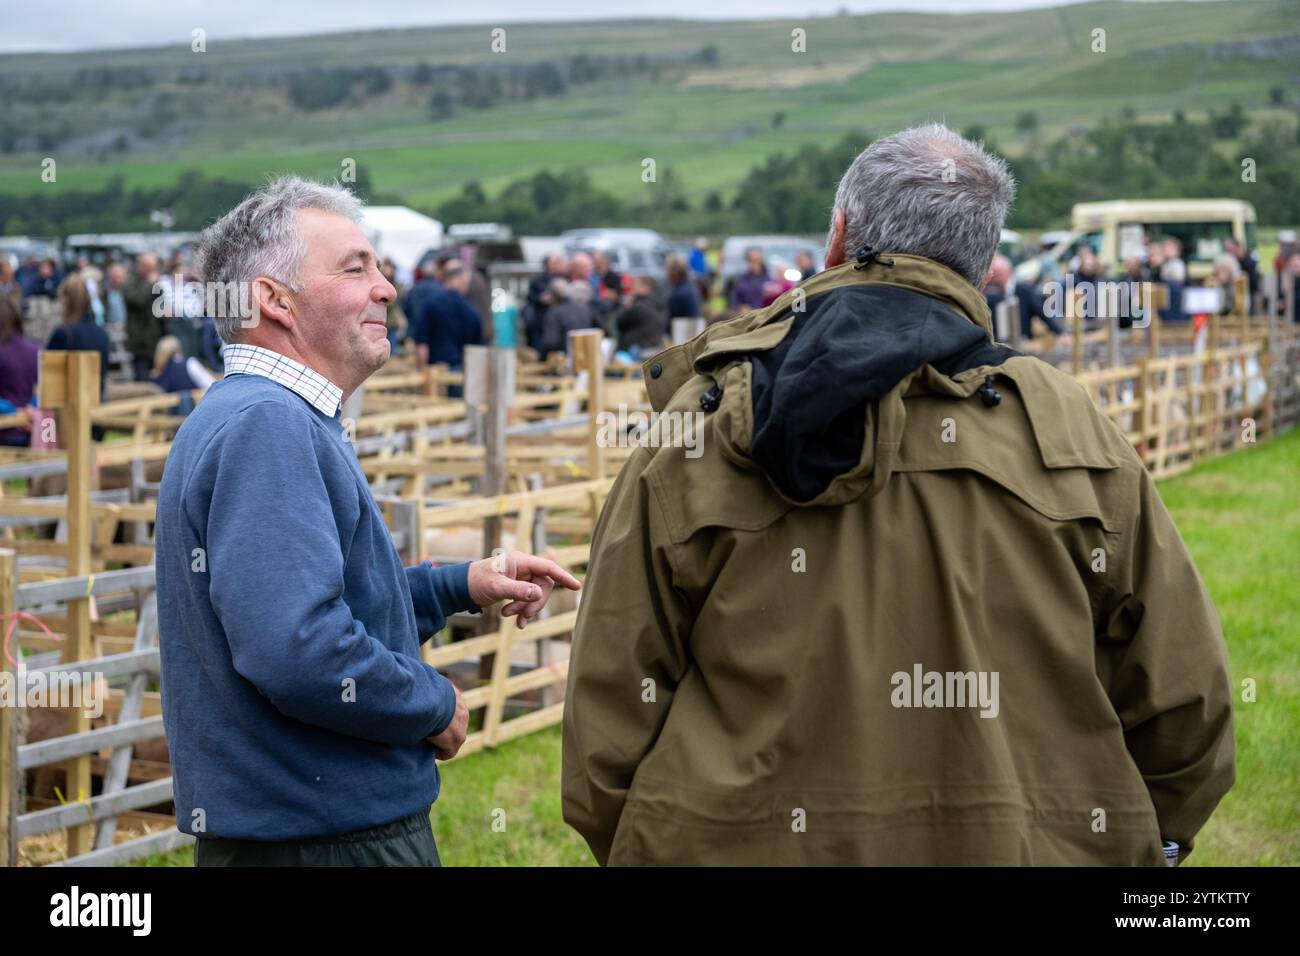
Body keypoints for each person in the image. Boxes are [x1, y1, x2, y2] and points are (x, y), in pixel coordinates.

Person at [563, 123, 1234, 867]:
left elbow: (611, 705)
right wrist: (1148, 838)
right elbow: (1183, 698)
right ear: (983, 263)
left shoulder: (702, 420)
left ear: (838, 235)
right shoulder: (1069, 426)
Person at [156, 176, 580, 867]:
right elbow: (298, 651)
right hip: (324, 845)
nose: (387, 288)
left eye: (380, 267)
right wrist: (432, 702)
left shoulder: (257, 414)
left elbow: (318, 610)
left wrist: (459, 585)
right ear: (273, 299)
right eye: (357, 269)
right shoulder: (268, 424)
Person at [46, 274, 111, 405]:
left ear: (66, 300)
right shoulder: (102, 333)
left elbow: (48, 377)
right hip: (96, 405)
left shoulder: (62, 334)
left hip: (69, 409)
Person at [411, 259, 484, 373]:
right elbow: (476, 352)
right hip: (461, 373)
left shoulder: (429, 304)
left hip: (434, 373)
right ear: (463, 280)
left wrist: (422, 372)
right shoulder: (472, 312)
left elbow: (422, 345)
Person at [0, 295, 38, 447]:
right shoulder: (36, 350)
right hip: (31, 427)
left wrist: (13, 412)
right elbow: (45, 391)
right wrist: (30, 409)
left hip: (5, 429)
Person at [150, 334, 216, 415]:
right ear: (179, 349)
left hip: (168, 421)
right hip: (193, 415)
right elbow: (212, 386)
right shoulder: (189, 363)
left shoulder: (155, 374)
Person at [124, 253, 163, 381]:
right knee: (142, 378)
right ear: (142, 267)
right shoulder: (131, 282)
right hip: (140, 341)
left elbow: (160, 305)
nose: (153, 271)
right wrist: (149, 283)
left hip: (155, 339)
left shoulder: (154, 283)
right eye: (150, 268)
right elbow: (137, 300)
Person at [540, 279, 597, 356]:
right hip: (586, 356)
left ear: (553, 296)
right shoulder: (585, 309)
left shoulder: (554, 312)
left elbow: (551, 341)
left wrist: (542, 357)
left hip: (564, 359)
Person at [615, 275, 668, 355]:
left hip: (636, 352)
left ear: (646, 287)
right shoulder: (659, 304)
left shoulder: (638, 306)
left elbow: (619, 322)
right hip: (654, 349)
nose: (633, 289)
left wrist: (626, 305)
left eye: (636, 285)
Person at [665, 254, 700, 321]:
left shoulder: (679, 294)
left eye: (667, 269)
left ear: (673, 272)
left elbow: (670, 322)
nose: (666, 273)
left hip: (683, 329)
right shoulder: (691, 286)